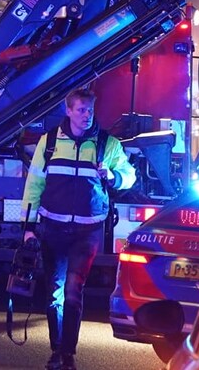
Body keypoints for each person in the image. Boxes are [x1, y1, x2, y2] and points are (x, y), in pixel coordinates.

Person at [22, 88, 135, 370]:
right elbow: (34, 185)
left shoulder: (106, 144)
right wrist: (28, 227)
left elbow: (129, 176)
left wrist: (114, 176)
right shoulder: (49, 143)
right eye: (81, 110)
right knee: (54, 293)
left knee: (73, 291)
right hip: (52, 229)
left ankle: (68, 354)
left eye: (90, 111)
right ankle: (56, 350)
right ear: (68, 110)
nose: (86, 116)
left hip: (88, 232)